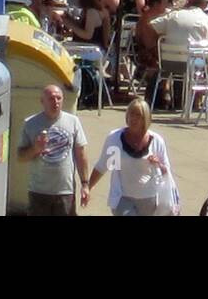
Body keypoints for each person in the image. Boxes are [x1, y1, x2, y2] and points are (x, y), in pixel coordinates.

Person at [85, 98, 177, 215]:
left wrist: (158, 164)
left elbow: (166, 172)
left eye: (138, 115)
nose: (133, 119)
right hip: (122, 197)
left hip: (149, 198)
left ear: (145, 119)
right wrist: (88, 187)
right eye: (131, 114)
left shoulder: (156, 141)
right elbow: (103, 165)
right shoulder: (115, 138)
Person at [16, 83, 89, 216]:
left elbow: (81, 155)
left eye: (58, 98)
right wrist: (36, 149)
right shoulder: (30, 123)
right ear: (42, 101)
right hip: (39, 192)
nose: (55, 102)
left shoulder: (73, 122)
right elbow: (20, 157)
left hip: (65, 192)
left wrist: (85, 184)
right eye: (51, 98)